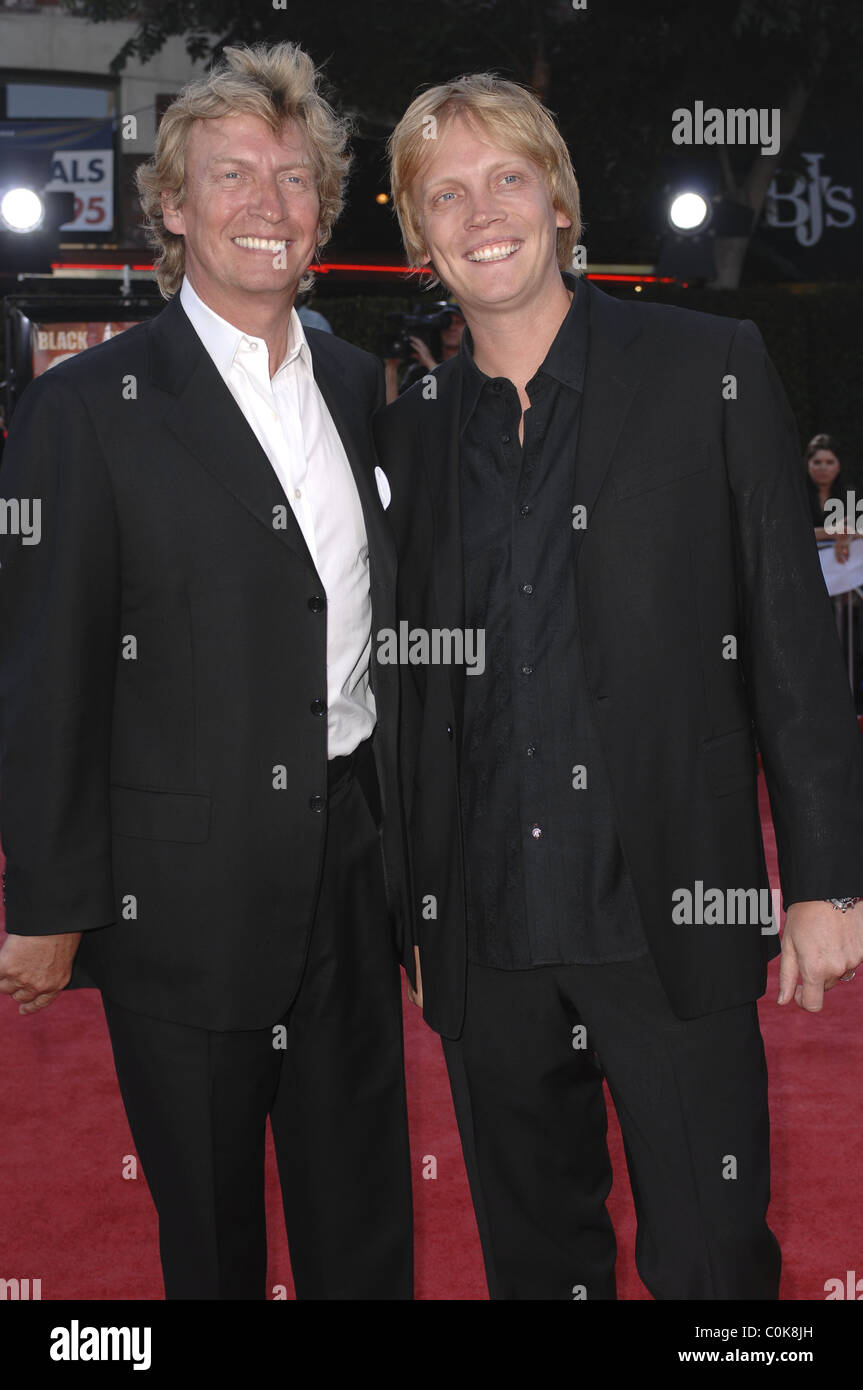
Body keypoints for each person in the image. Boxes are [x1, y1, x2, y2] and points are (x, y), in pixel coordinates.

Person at [375, 73, 863, 1301]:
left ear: (558, 201)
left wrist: (822, 882)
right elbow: (405, 690)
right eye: (446, 193)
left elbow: (792, 648)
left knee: (713, 1270)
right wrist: (413, 909)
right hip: (487, 939)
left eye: (506, 178)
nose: (480, 211)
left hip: (670, 919)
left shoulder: (710, 365)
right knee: (538, 1271)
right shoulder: (414, 431)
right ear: (417, 233)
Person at [0, 42, 413, 1301]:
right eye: (229, 175)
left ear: (322, 210)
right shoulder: (84, 408)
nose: (264, 204)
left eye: (291, 179)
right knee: (214, 1236)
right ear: (170, 206)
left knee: (364, 1216)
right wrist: (46, 900)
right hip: (174, 892)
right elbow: (44, 671)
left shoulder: (358, 384)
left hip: (350, 863)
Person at [806, 432, 854, 563]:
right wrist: (829, 532)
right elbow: (789, 532)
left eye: (829, 462)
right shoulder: (797, 496)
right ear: (808, 465)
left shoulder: (850, 494)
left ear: (838, 465)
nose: (823, 468)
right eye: (817, 462)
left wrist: (849, 536)